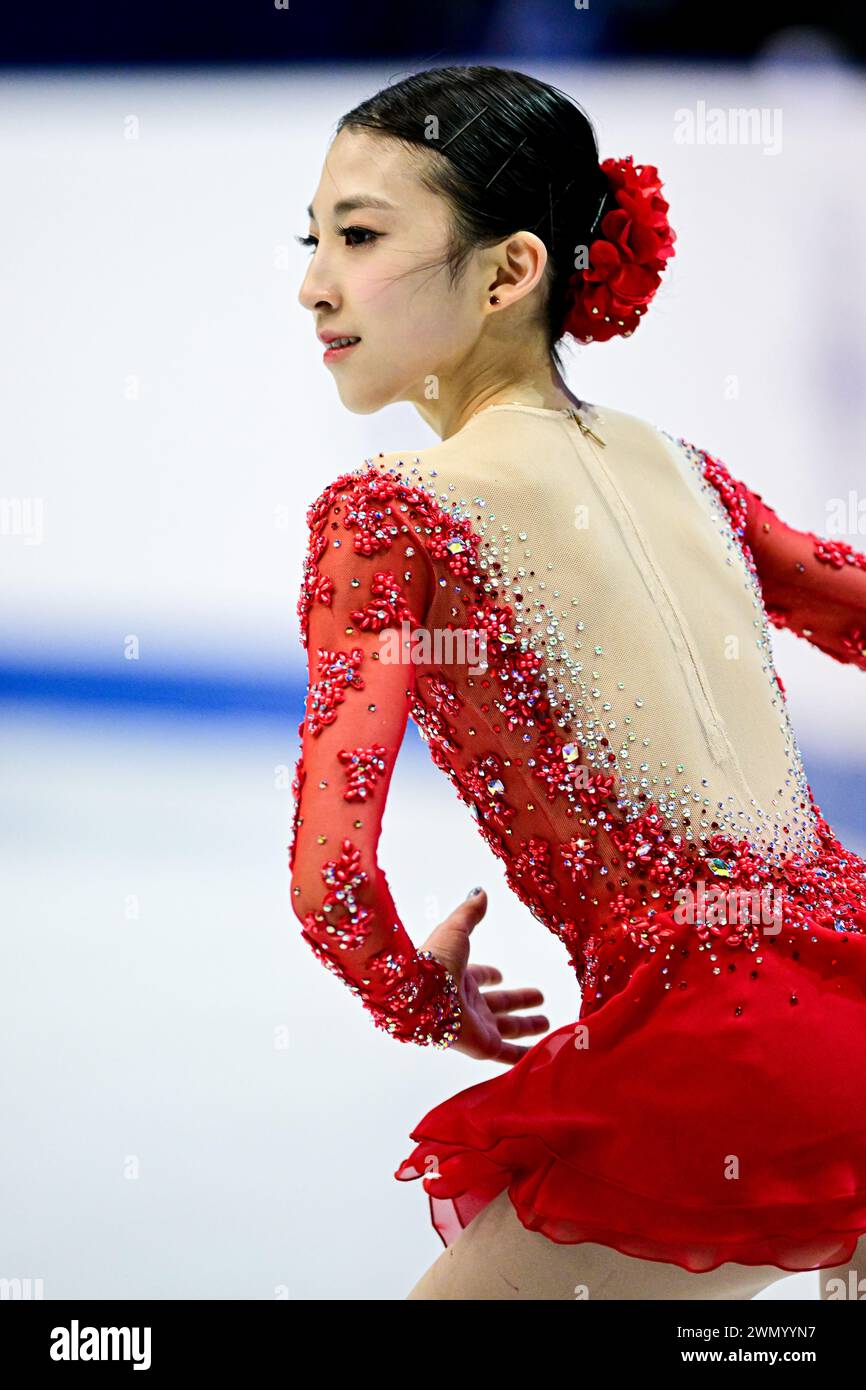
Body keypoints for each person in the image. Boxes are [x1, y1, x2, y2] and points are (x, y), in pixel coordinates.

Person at [289, 64, 866, 1300]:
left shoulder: (389, 517)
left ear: (509, 271)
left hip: (720, 1057)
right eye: (312, 240)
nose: (314, 284)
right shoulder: (687, 473)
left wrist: (418, 993)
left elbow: (332, 882)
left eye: (360, 237)